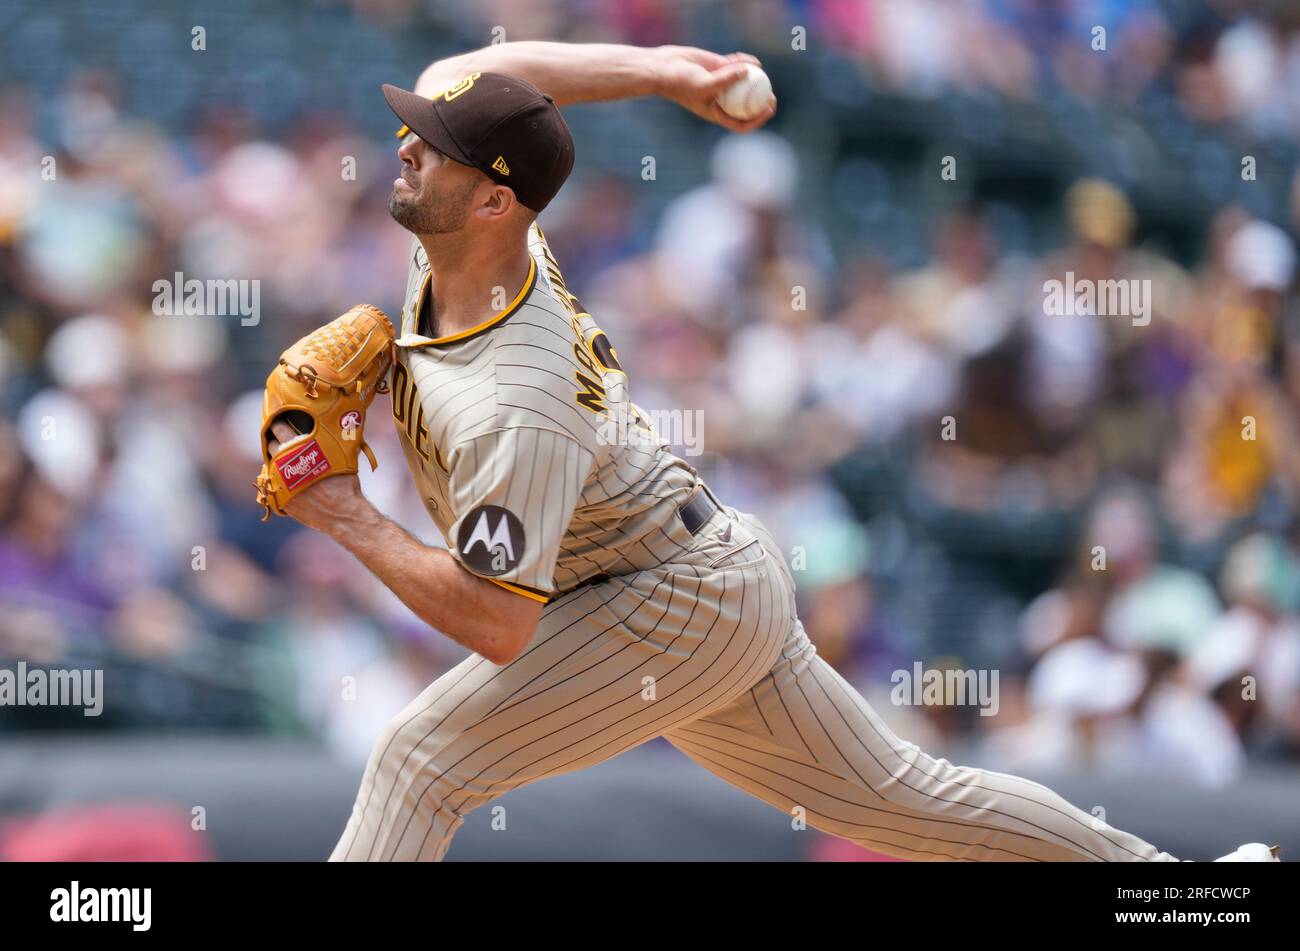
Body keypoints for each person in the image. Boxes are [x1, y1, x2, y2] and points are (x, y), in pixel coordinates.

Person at [265, 40, 1274, 863]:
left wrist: (338, 508)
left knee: (418, 760)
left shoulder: (515, 397)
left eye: (430, 147)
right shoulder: (468, 231)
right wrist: (664, 69)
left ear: (494, 201)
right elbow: (493, 72)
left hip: (665, 602)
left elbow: (492, 621)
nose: (404, 146)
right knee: (903, 798)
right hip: (686, 573)